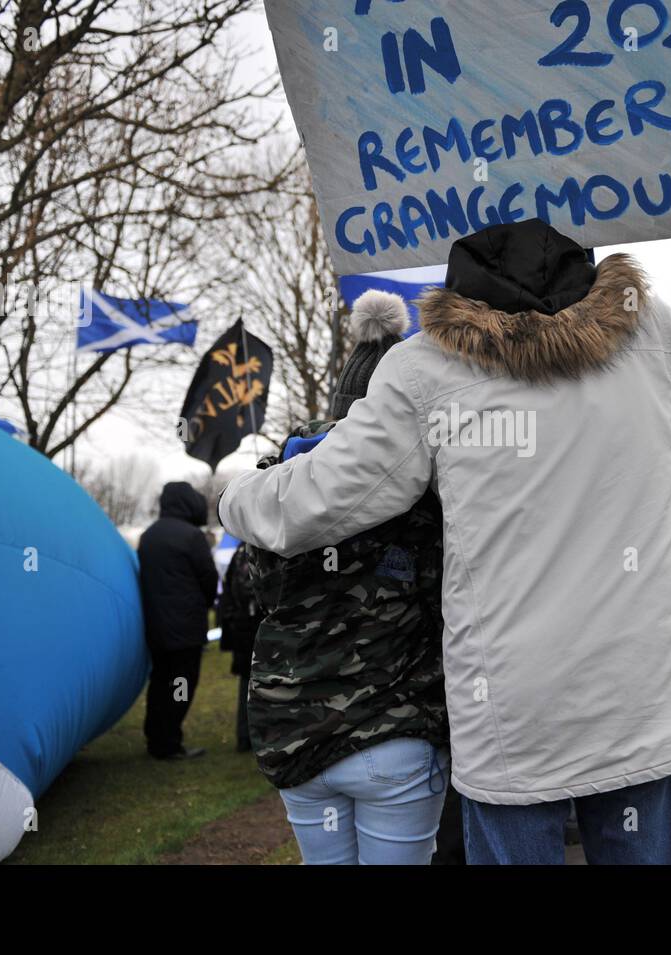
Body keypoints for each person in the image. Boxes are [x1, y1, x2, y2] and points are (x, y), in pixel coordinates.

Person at [220, 219, 671, 865]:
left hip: (515, 708)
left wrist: (228, 495)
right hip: (644, 690)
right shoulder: (648, 329)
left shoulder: (424, 367)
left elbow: (316, 500)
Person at [242, 289, 452, 865]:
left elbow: (253, 588)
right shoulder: (431, 470)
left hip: (294, 728)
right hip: (396, 731)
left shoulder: (284, 470)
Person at [138, 481, 219, 760]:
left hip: (156, 626)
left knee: (160, 681)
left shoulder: (149, 536)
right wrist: (204, 605)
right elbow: (209, 578)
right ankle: (170, 742)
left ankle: (156, 738)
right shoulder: (191, 537)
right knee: (182, 684)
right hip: (186, 628)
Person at [217, 541, 262, 752]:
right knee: (255, 683)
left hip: (242, 627)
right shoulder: (260, 551)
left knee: (248, 683)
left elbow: (228, 594)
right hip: (255, 627)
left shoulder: (240, 553)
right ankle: (252, 736)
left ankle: (245, 736)